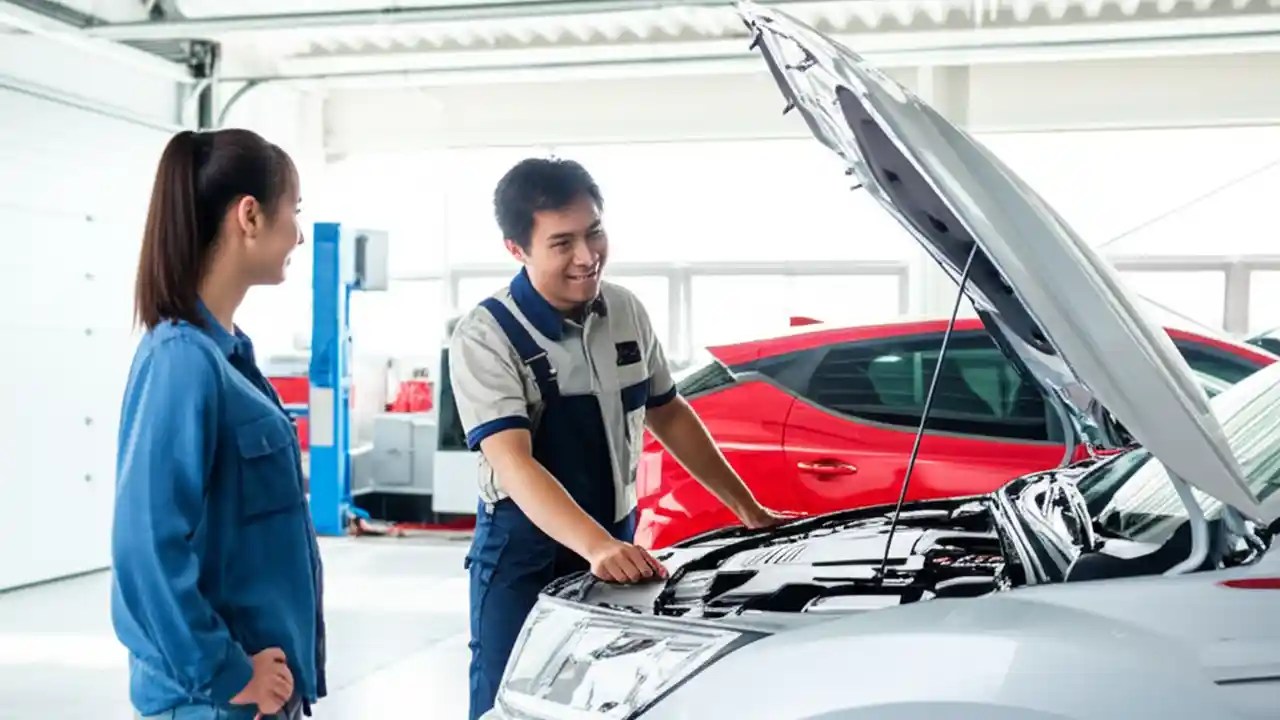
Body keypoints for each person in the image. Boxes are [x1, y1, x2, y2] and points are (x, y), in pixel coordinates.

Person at [450, 157, 792, 719]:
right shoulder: (486, 335)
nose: (587, 257)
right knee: (507, 699)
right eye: (562, 243)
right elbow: (512, 463)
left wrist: (746, 508)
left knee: (605, 700)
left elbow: (669, 413)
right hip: (525, 553)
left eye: (595, 232)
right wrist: (597, 549)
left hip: (616, 536)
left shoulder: (626, 310)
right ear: (517, 249)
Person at [109, 128, 325, 720]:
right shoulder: (181, 361)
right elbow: (145, 548)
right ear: (249, 216)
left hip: (258, 694)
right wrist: (227, 673)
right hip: (215, 700)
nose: (299, 235)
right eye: (294, 212)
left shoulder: (229, 356)